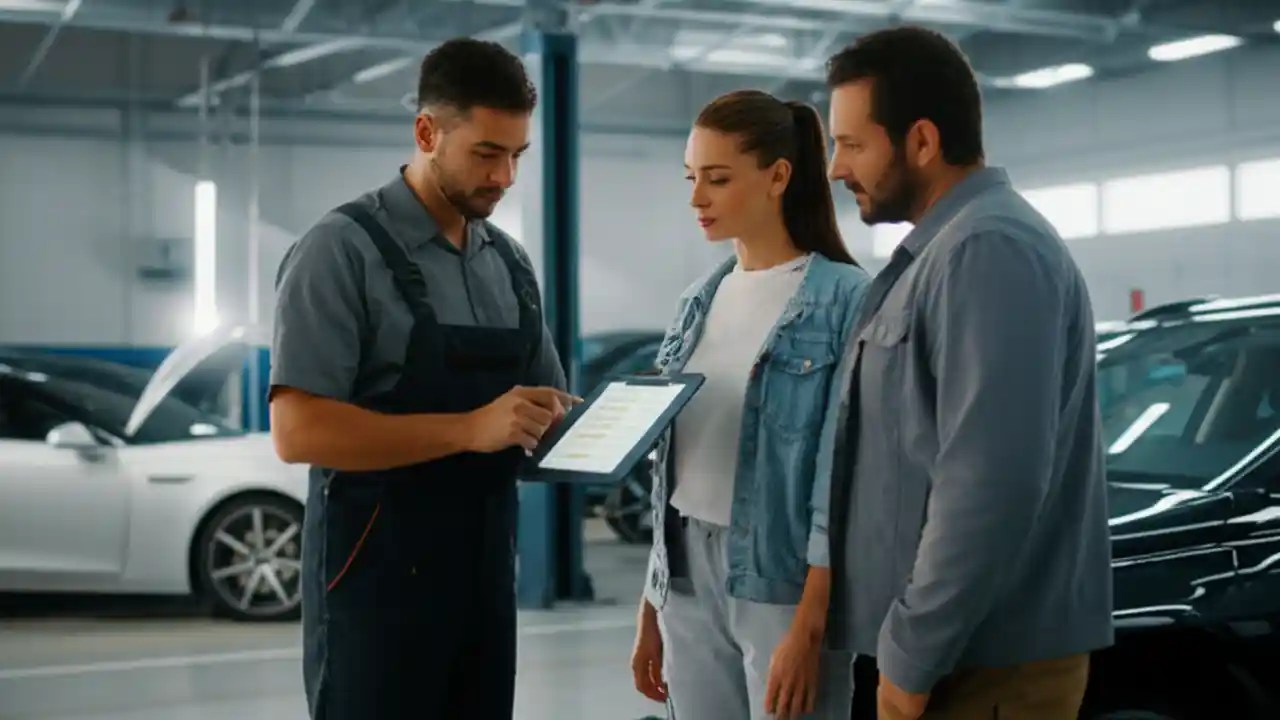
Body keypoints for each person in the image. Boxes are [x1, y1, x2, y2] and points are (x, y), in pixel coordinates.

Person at [268, 38, 576, 720]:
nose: (505, 178)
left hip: (483, 579)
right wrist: (470, 429)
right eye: (487, 154)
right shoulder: (339, 251)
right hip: (373, 588)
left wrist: (606, 430)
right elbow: (297, 431)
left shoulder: (510, 264)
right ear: (426, 132)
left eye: (517, 156)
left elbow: (542, 412)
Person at [820, 26, 1114, 720]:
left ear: (922, 141)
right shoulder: (942, 252)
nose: (836, 167)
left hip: (982, 668)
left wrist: (913, 655)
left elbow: (991, 479)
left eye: (853, 144)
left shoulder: (987, 250)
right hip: (954, 658)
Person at [629, 89, 871, 720]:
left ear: (778, 177)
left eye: (717, 178)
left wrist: (811, 628)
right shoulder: (697, 302)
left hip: (781, 578)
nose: (696, 198)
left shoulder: (845, 300)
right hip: (685, 571)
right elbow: (669, 466)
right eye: (691, 178)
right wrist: (651, 603)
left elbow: (843, 474)